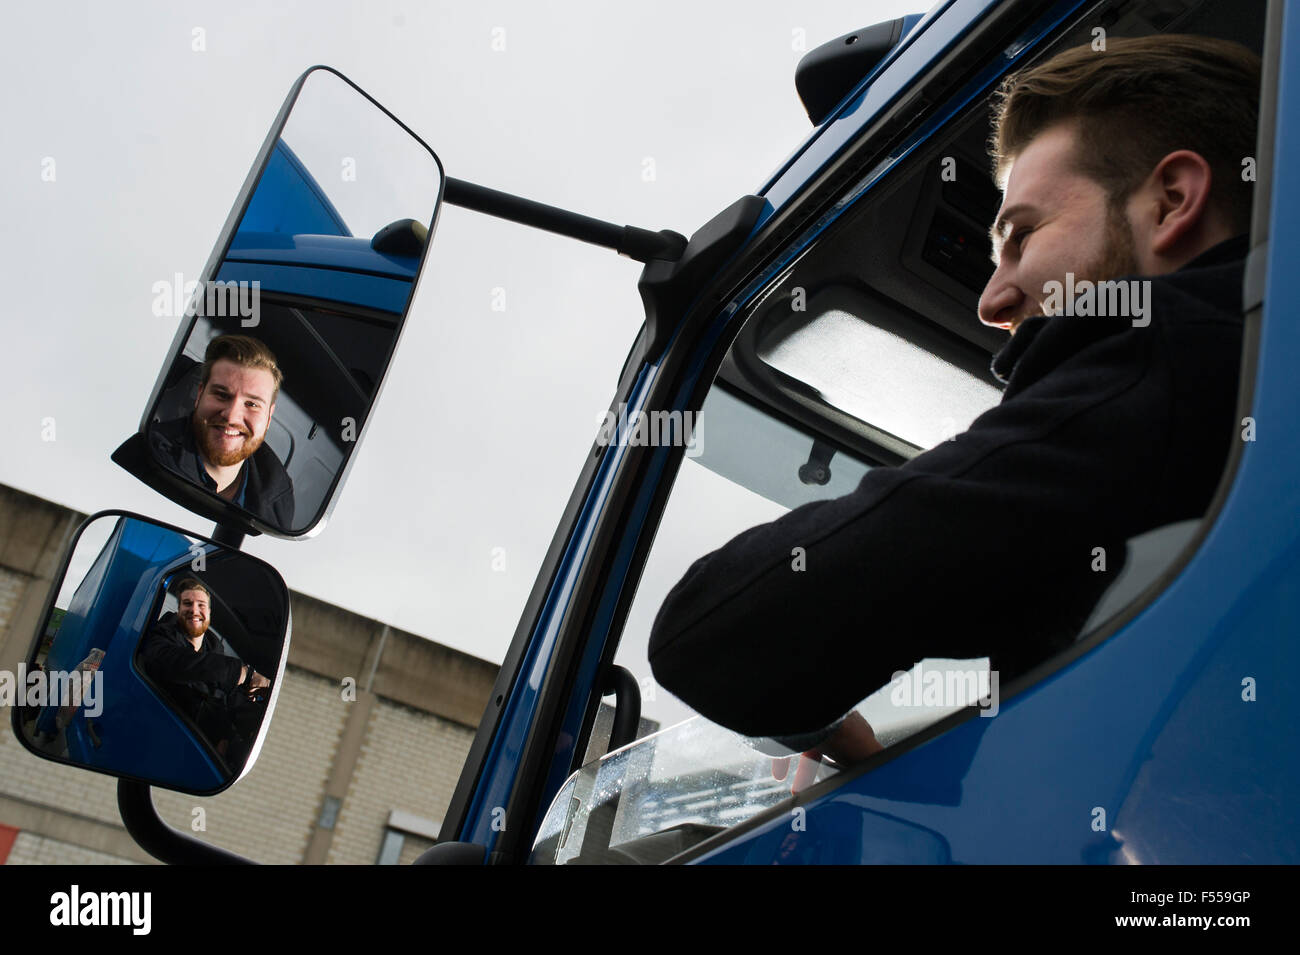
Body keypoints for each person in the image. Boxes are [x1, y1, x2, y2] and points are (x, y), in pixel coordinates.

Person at [647, 35, 1262, 766]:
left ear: (1171, 200)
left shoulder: (1157, 363)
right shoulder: (1232, 376)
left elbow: (708, 634)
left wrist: (825, 731)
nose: (993, 300)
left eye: (1022, 236)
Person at [148, 334, 295, 527]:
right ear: (200, 394)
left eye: (251, 404)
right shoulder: (150, 452)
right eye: (221, 395)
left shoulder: (279, 501)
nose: (232, 416)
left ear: (268, 417)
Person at [139, 577, 270, 762]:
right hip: (162, 743)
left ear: (209, 612)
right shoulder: (160, 642)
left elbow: (231, 703)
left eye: (201, 605)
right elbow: (179, 664)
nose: (194, 610)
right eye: (187, 604)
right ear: (178, 610)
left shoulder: (216, 654)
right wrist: (244, 673)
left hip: (200, 755)